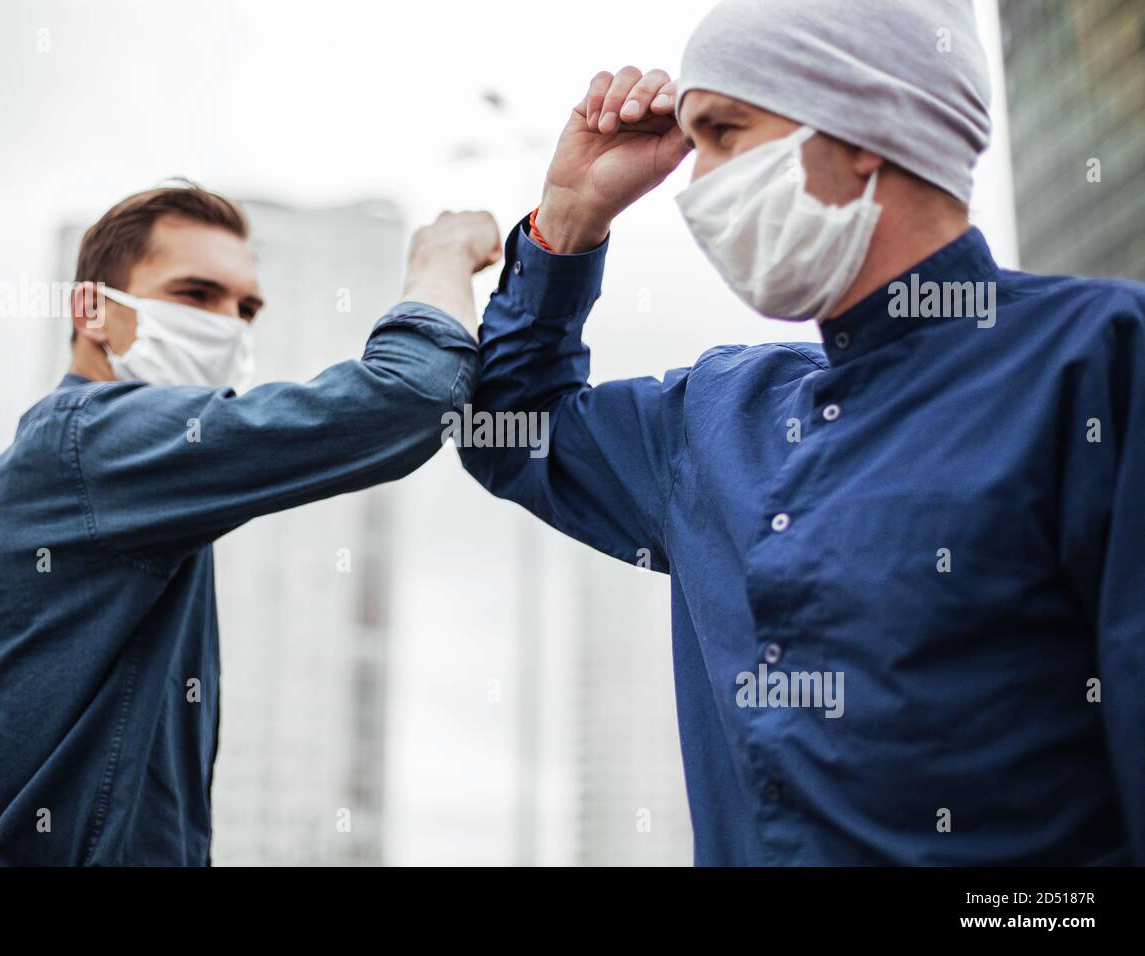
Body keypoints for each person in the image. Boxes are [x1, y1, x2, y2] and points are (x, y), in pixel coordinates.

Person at [460, 0, 1145, 865]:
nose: (698, 188)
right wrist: (567, 219)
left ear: (862, 125)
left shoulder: (1104, 361)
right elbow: (510, 430)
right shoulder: (711, 417)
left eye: (723, 133)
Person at [0, 181, 500, 865]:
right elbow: (409, 398)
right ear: (92, 311)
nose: (230, 326)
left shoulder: (102, 464)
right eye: (196, 296)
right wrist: (439, 259)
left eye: (247, 308)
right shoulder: (95, 443)